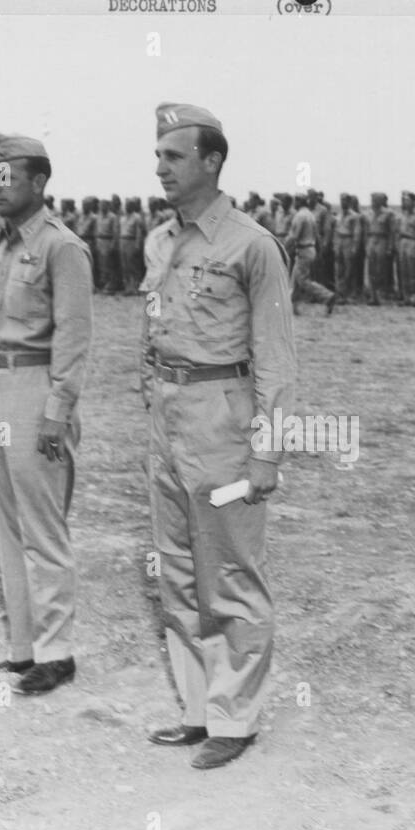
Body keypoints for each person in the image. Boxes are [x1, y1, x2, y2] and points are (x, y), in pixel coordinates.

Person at [141, 102, 296, 770]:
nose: (161, 167)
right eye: (158, 156)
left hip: (223, 420)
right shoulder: (157, 240)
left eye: (174, 156)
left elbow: (278, 357)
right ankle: (198, 709)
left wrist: (267, 448)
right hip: (167, 416)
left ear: (212, 161)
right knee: (176, 571)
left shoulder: (252, 245)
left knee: (231, 571)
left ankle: (237, 716)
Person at [0, 133, 95, 696]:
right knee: (4, 526)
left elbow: (74, 336)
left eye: (7, 175)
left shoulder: (61, 247)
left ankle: (58, 652)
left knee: (43, 528)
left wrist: (57, 412)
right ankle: (23, 650)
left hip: (35, 388)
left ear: (39, 181)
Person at [286, 193, 336, 314]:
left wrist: (284, 249)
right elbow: (317, 236)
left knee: (303, 280)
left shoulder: (299, 216)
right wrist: (319, 251)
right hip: (310, 249)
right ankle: (291, 306)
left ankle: (327, 296)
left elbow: (294, 237)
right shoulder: (310, 215)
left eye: (295, 201)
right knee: (295, 279)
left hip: (303, 250)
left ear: (298, 202)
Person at [364, 192, 396, 306]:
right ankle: (373, 295)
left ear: (381, 201)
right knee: (371, 269)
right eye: (372, 199)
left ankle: (381, 295)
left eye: (375, 199)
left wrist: (390, 247)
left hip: (382, 240)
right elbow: (366, 230)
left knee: (380, 269)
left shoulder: (389, 213)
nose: (373, 201)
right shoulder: (369, 213)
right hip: (371, 240)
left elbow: (392, 232)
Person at [395, 191, 415, 306]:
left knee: (413, 271)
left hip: (413, 241)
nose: (406, 202)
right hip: (403, 242)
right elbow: (397, 231)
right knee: (404, 271)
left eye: (408, 200)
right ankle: (406, 297)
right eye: (405, 200)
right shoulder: (401, 215)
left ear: (413, 202)